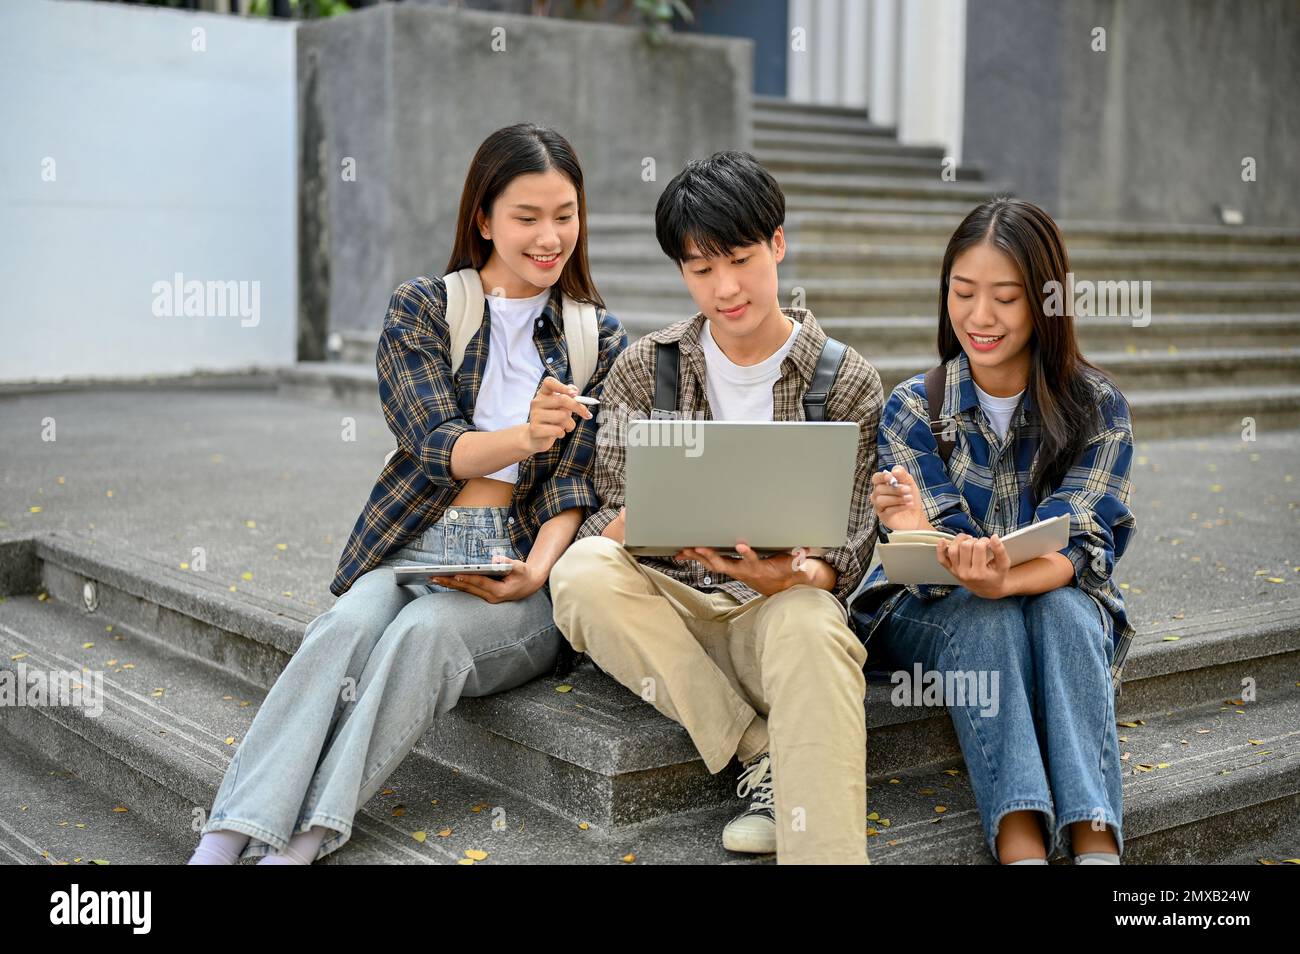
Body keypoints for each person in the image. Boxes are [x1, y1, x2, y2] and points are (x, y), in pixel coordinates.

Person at [187, 123, 627, 864]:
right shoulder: (424, 308)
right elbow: (435, 444)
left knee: (423, 639)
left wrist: (538, 572)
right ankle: (226, 836)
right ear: (483, 218)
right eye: (527, 218)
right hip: (418, 547)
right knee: (343, 632)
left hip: (522, 575)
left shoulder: (597, 337)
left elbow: (579, 485)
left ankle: (304, 840)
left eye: (565, 215)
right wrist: (526, 434)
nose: (551, 237)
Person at [549, 151, 884, 864]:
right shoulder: (647, 367)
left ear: (778, 244)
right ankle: (762, 753)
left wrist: (792, 577)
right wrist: (645, 518)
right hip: (673, 619)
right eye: (701, 269)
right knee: (580, 573)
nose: (726, 288)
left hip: (777, 623)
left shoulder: (846, 381)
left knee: (811, 618)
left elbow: (850, 555)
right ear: (681, 272)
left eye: (739, 259)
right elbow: (603, 515)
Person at [849, 196, 1137, 865]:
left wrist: (1003, 576)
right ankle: (1020, 844)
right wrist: (913, 527)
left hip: (1047, 596)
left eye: (1006, 297)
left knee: (1065, 612)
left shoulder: (1098, 408)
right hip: (928, 609)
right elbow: (923, 565)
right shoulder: (914, 407)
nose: (980, 317)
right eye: (964, 292)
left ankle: (1097, 845)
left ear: (1047, 303)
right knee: (989, 618)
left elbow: (1082, 547)